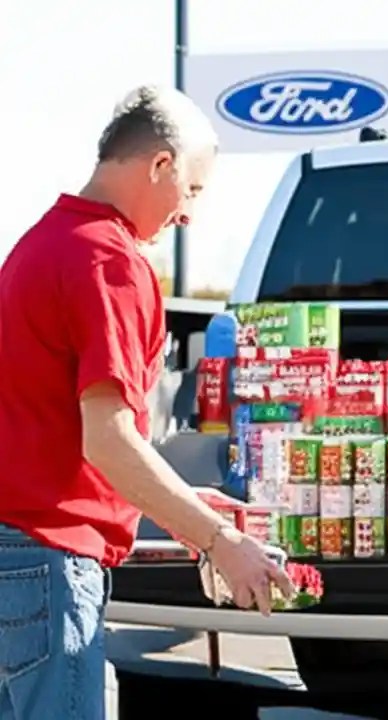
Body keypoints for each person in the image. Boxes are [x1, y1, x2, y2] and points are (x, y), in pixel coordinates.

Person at [0, 86, 294, 720]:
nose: (189, 215)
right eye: (193, 191)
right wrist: (217, 540)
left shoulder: (40, 244)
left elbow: (56, 430)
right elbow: (105, 439)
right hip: (47, 566)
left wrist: (182, 505)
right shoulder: (109, 260)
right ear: (160, 165)